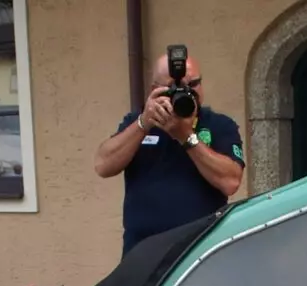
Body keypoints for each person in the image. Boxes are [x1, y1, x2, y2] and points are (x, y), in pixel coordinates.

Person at [95, 50, 245, 256]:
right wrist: (143, 124)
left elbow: (230, 182)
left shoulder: (219, 125)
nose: (188, 92)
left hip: (200, 252)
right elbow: (103, 165)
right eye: (176, 88)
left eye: (193, 84)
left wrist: (187, 137)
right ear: (155, 90)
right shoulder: (138, 123)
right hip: (143, 252)